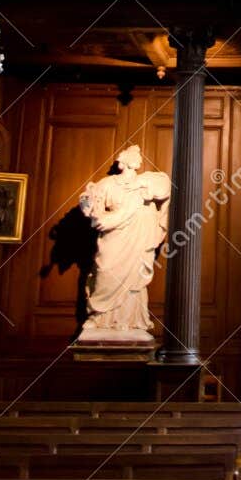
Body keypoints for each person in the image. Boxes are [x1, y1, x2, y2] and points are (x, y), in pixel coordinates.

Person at [77, 145, 171, 341]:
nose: (138, 161)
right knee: (106, 270)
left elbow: (165, 186)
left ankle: (129, 320)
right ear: (124, 161)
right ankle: (98, 316)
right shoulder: (108, 183)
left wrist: (143, 187)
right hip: (114, 235)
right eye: (133, 157)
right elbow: (93, 200)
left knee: (133, 278)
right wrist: (88, 204)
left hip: (138, 234)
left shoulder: (145, 182)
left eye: (138, 158)